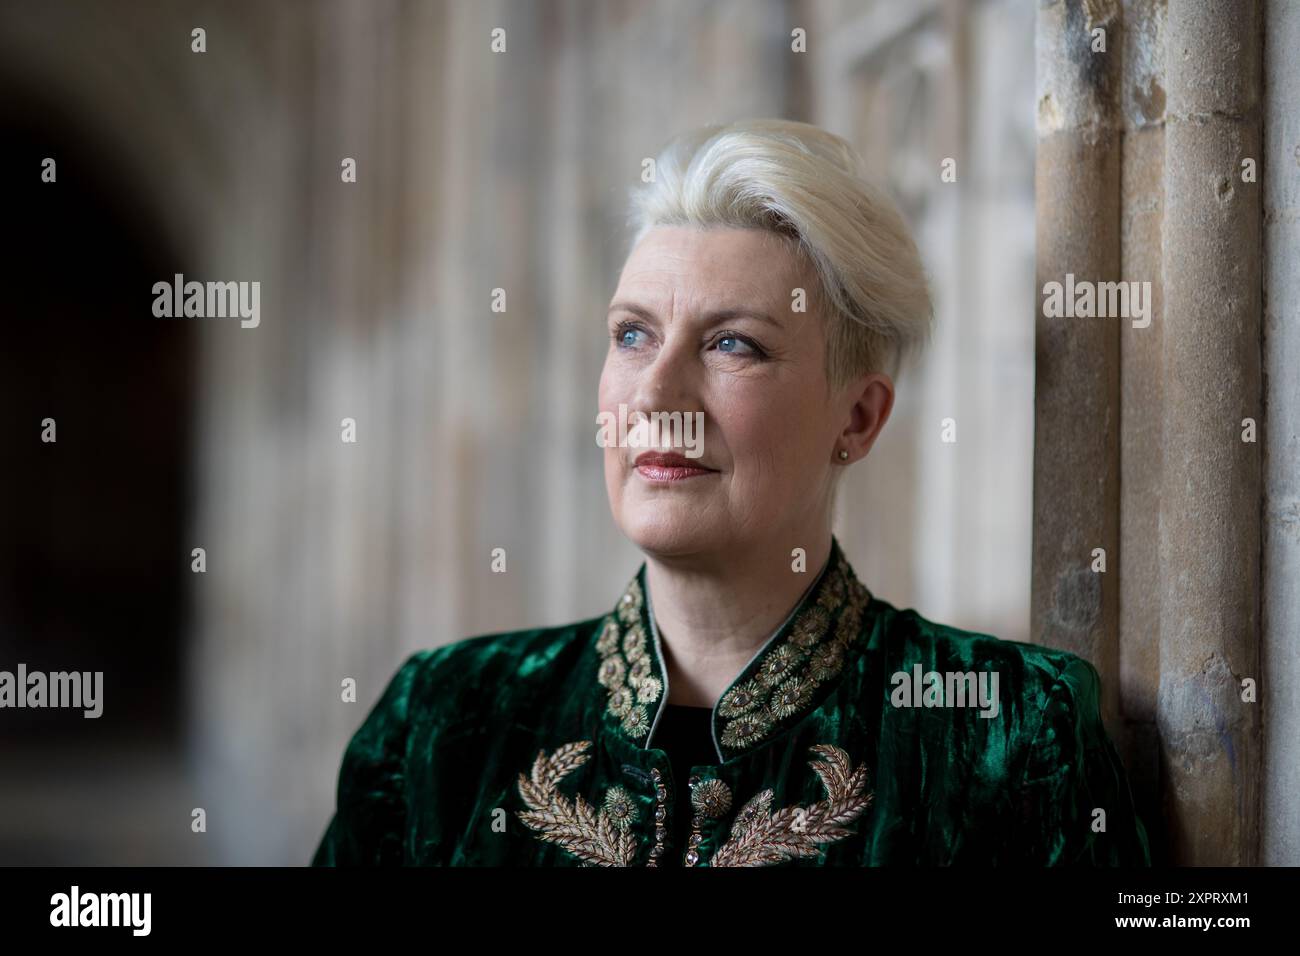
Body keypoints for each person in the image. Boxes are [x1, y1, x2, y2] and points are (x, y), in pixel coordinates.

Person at [311, 118, 1150, 867]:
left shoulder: (1008, 733)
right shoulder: (441, 724)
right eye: (633, 334)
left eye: (733, 345)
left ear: (856, 417)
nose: (655, 397)